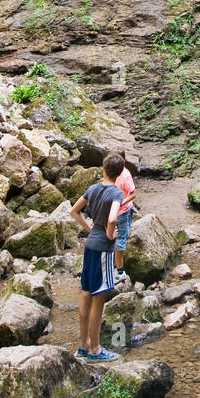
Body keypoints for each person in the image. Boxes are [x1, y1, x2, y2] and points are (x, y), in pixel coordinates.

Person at [71, 152, 125, 360]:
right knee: (99, 298)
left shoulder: (93, 189)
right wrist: (110, 234)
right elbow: (112, 219)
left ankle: (82, 345)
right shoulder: (117, 193)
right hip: (103, 248)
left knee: (86, 292)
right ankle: (95, 349)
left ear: (103, 170)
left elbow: (74, 211)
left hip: (90, 246)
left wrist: (89, 228)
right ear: (119, 174)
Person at [113, 159, 137, 283]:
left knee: (120, 240)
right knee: (114, 237)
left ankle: (120, 271)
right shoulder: (112, 173)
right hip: (115, 211)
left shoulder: (125, 175)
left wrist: (120, 203)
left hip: (122, 211)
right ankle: (114, 265)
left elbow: (133, 193)